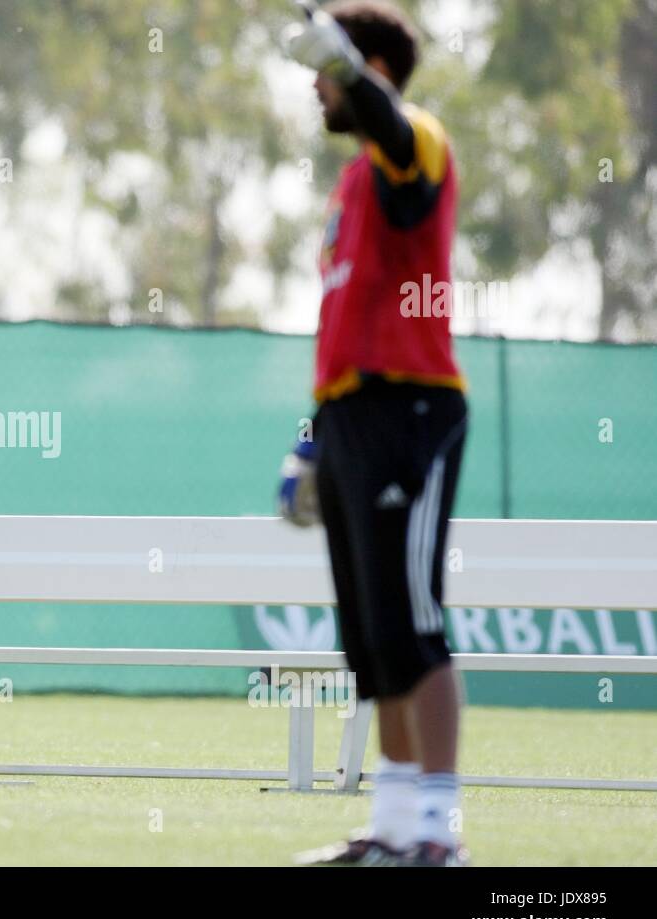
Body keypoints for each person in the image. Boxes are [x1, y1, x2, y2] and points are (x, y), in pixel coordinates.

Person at [278, 0, 469, 866]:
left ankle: (440, 832)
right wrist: (313, 437)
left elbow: (399, 144)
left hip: (413, 407)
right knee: (371, 635)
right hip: (353, 412)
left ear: (367, 69)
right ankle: (392, 831)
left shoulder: (413, 137)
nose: (316, 86)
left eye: (328, 70)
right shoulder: (347, 183)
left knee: (415, 624)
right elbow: (344, 324)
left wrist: (355, 71)